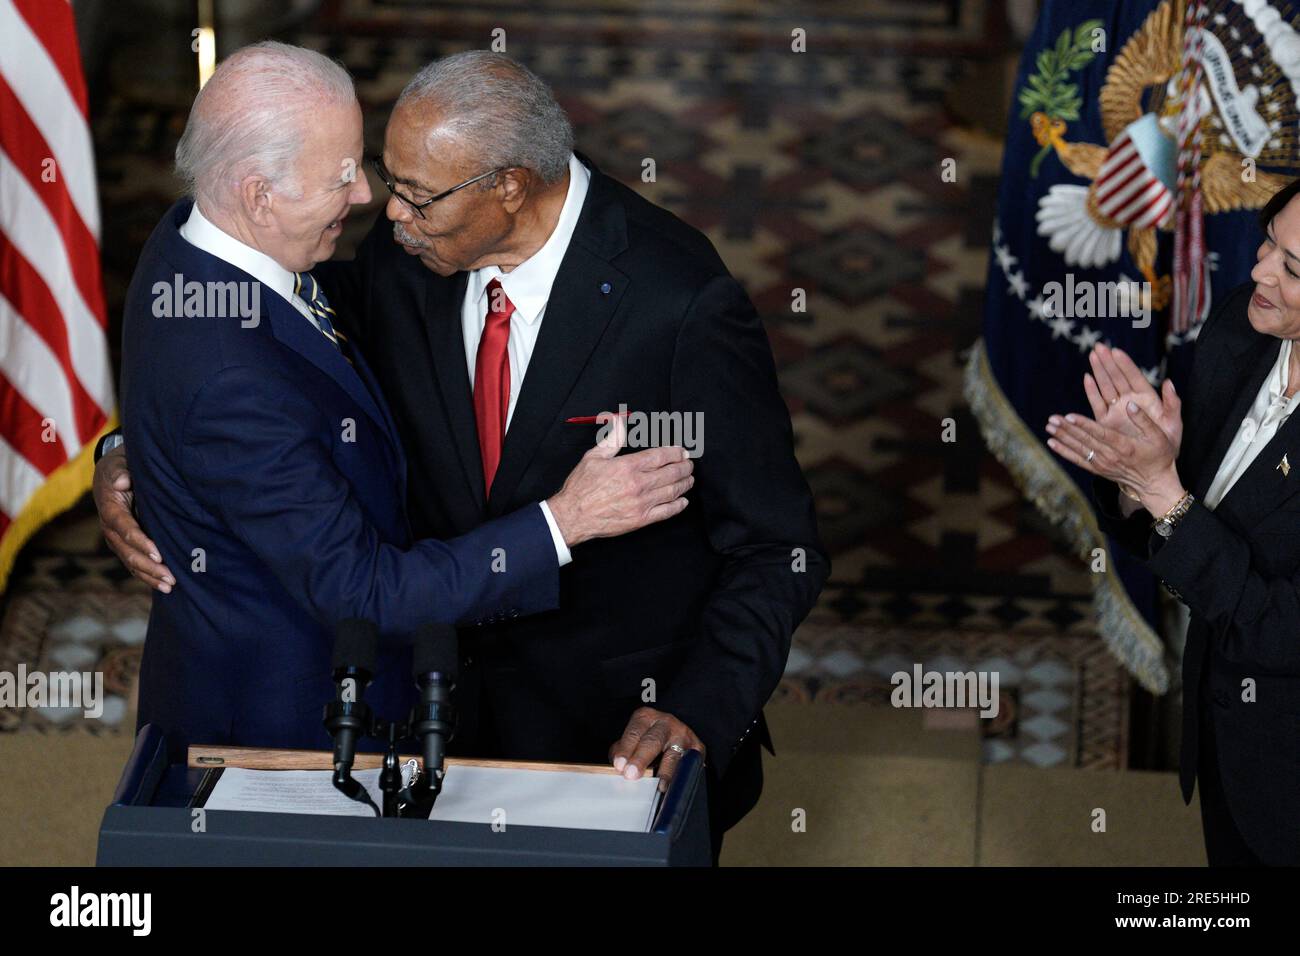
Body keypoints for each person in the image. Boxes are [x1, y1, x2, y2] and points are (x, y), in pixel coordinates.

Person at [97, 49, 828, 860]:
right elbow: (278, 356)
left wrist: (697, 707)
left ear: (508, 186)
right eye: (385, 180)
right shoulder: (415, 253)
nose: (386, 211)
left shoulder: (681, 305)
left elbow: (778, 548)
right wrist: (142, 449)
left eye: (415, 195)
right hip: (418, 730)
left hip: (604, 742)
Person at [1044, 178, 1300, 866]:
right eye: (1268, 244)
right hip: (1225, 745)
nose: (1259, 272)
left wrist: (1165, 493)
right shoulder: (1240, 326)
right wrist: (1140, 473)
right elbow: (1177, 522)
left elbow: (1280, 627)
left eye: (1291, 268)